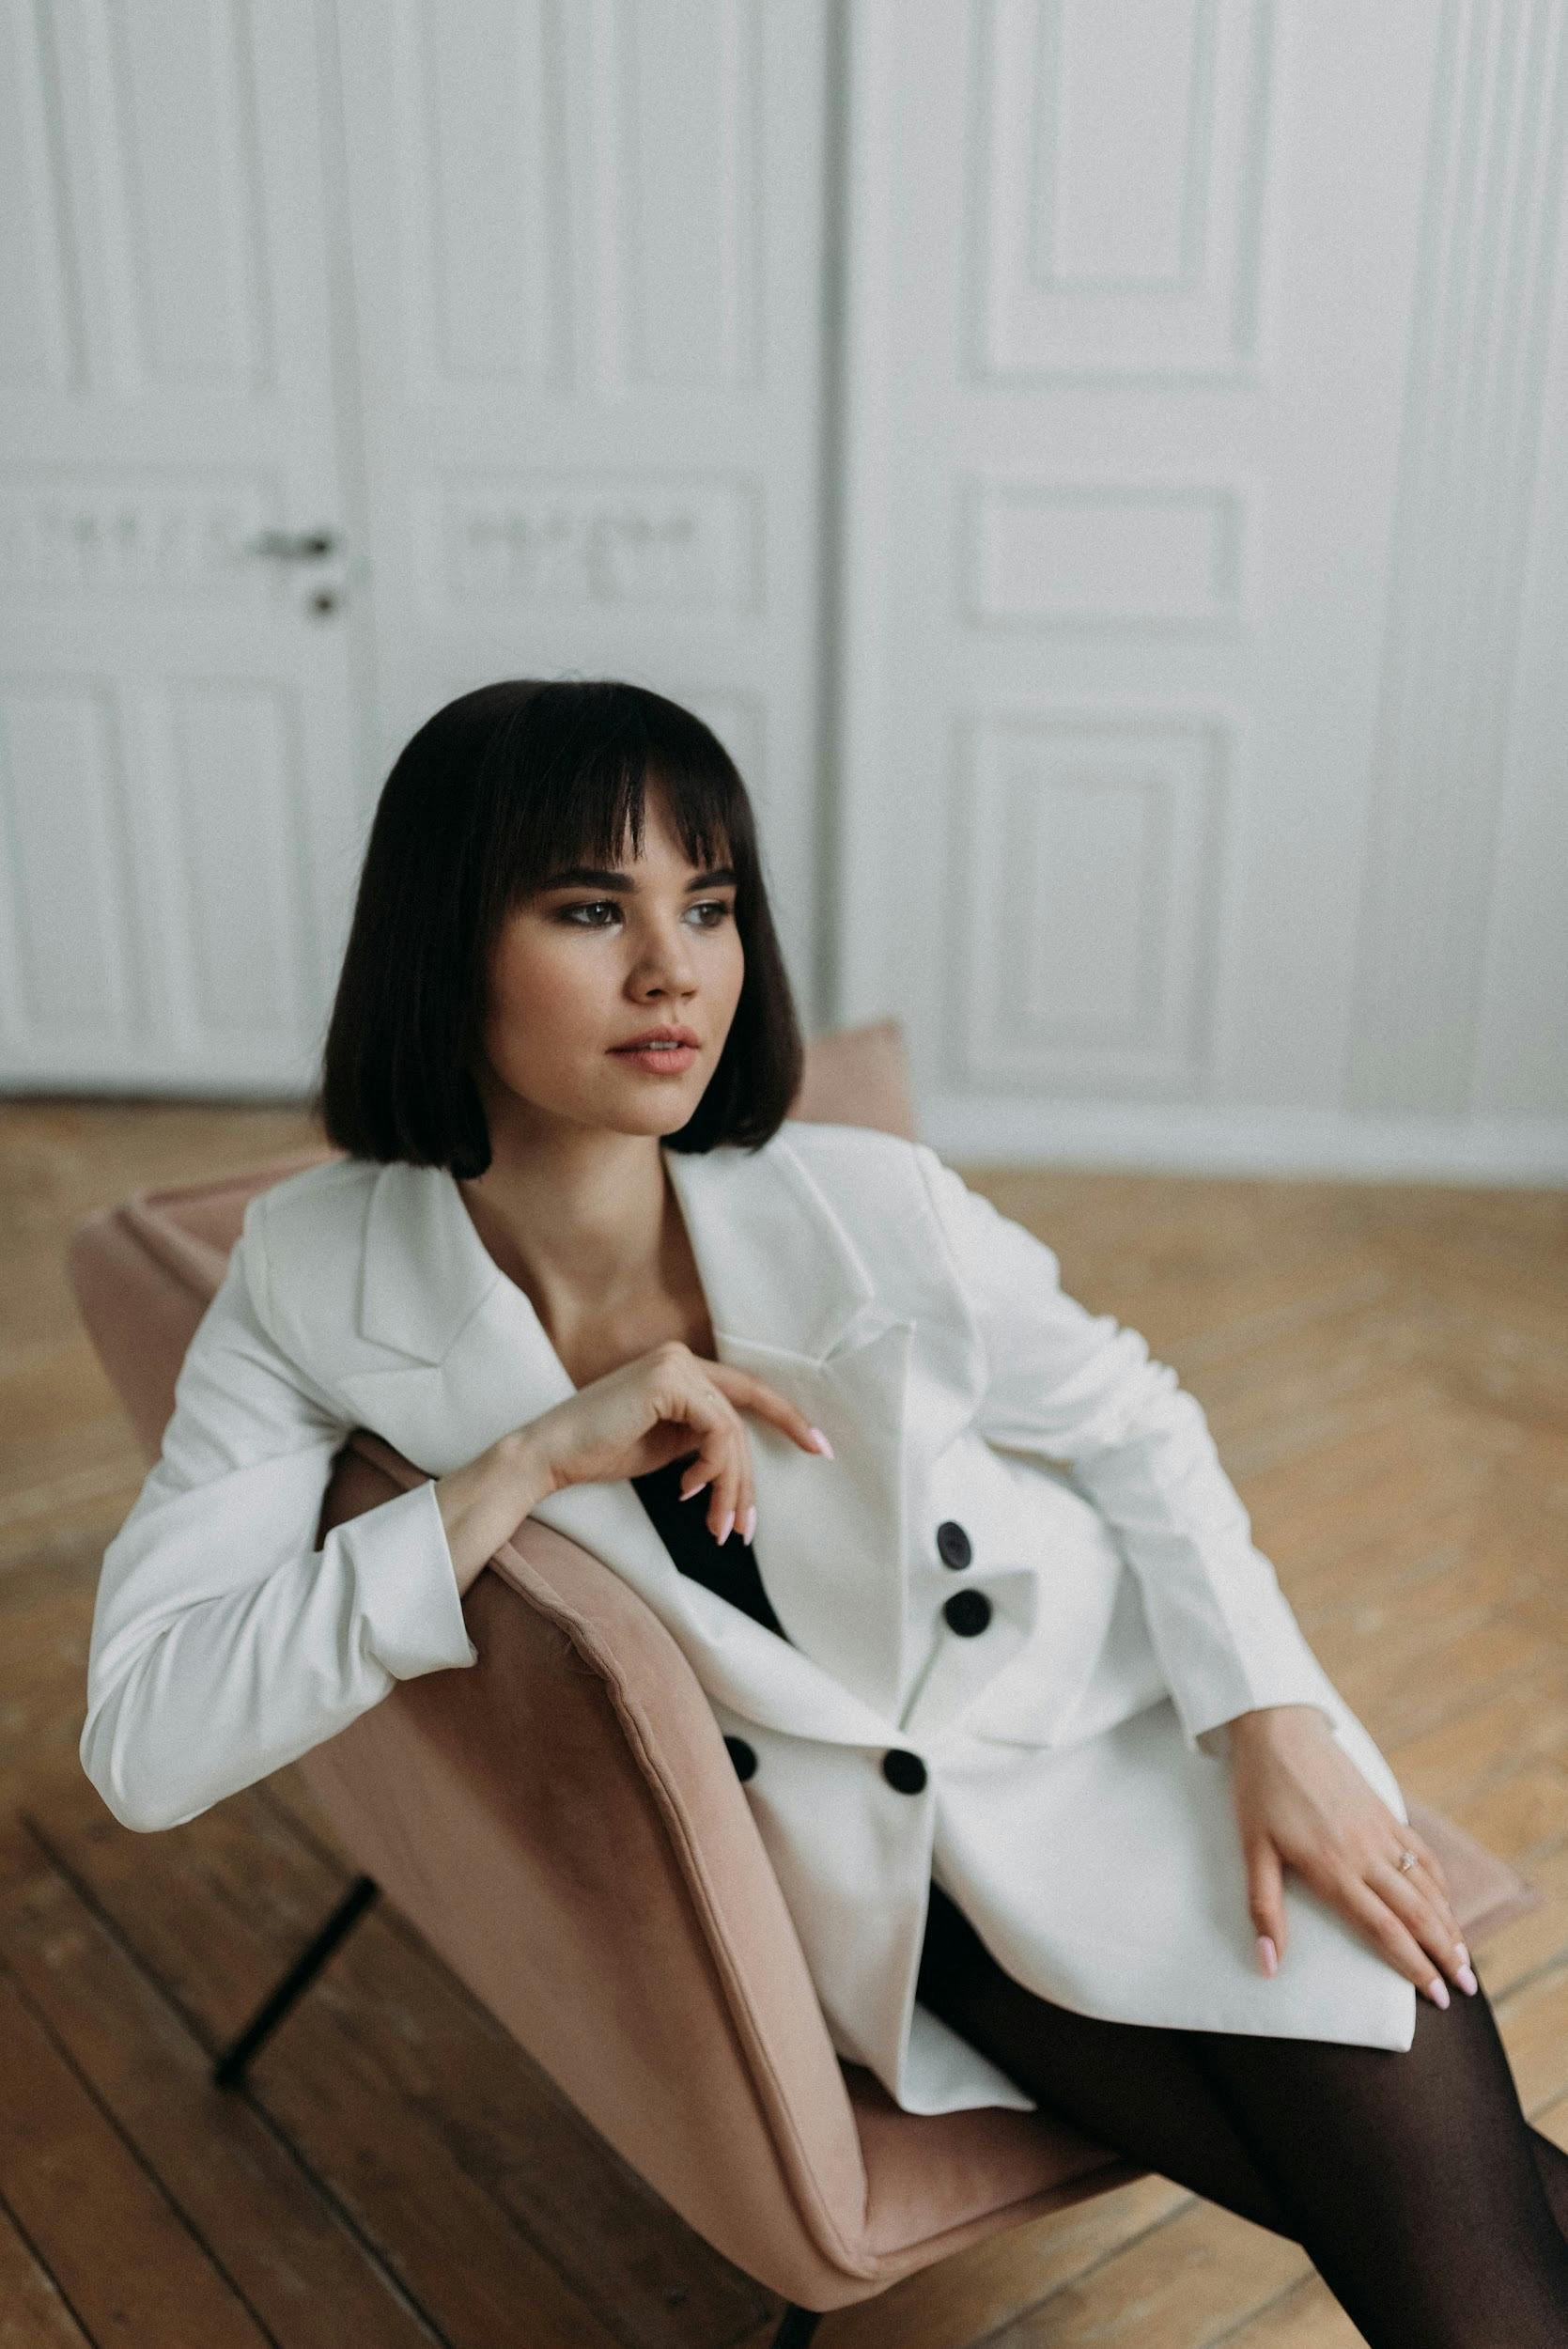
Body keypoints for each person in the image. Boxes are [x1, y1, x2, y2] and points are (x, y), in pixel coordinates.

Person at [82, 679, 1568, 2344]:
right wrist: (514, 1470)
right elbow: (147, 1742)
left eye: (706, 906)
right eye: (592, 908)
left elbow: (1136, 1418)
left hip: (1146, 1743)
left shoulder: (862, 1201)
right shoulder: (318, 1278)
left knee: (1479, 2277)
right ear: (445, 941)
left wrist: (1273, 1709)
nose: (673, 971)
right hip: (914, 1893)